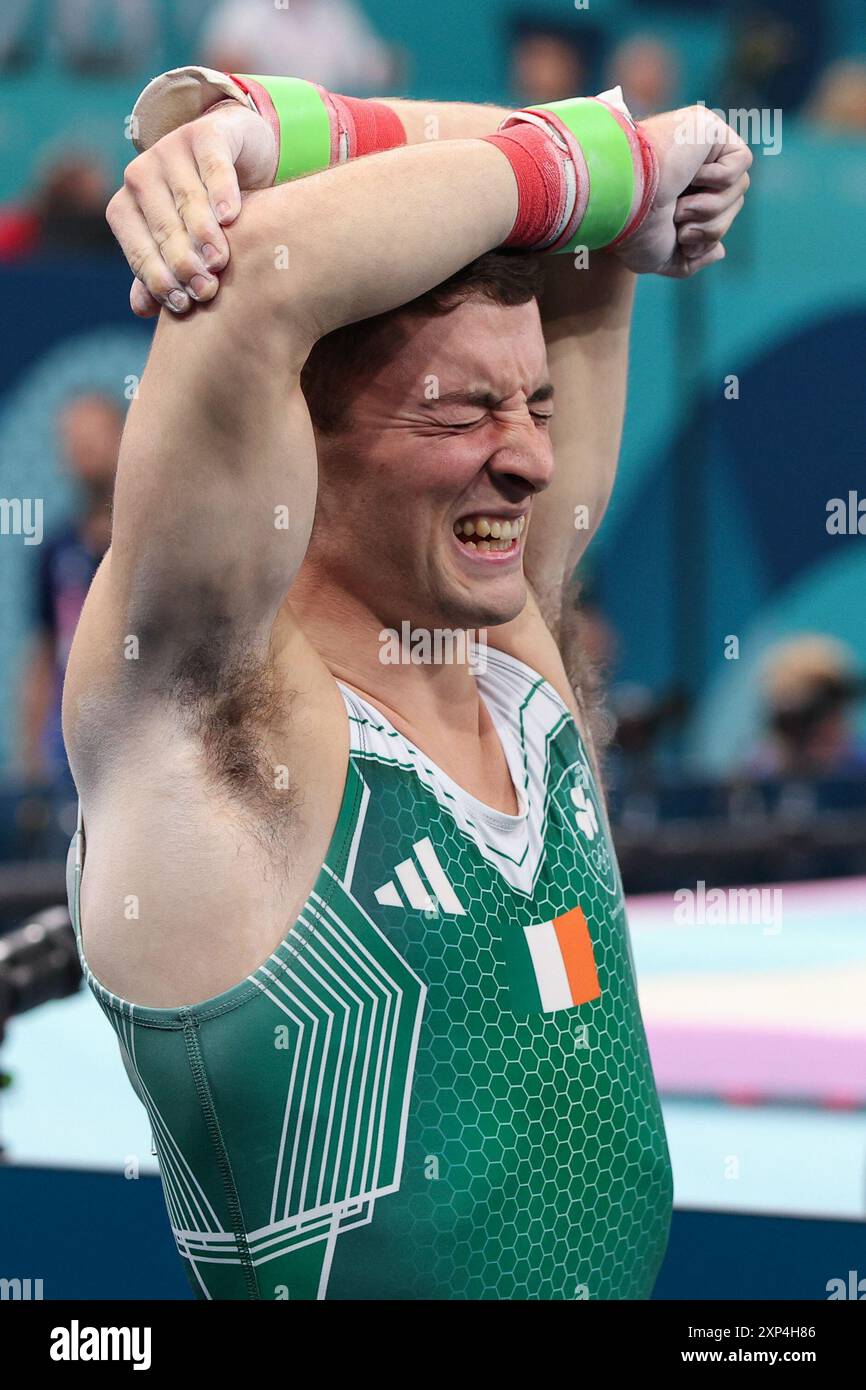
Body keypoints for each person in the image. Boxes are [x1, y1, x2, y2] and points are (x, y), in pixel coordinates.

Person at [64, 70, 750, 1299]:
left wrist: (280, 128)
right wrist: (608, 162)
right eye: (462, 414)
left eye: (534, 405)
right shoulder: (215, 722)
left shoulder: (512, 653)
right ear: (295, 441)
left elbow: (590, 174)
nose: (527, 460)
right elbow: (263, 278)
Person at [20, 393, 122, 784]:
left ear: (125, 437)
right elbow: (44, 654)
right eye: (74, 441)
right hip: (68, 755)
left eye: (94, 437)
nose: (84, 451)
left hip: (137, 745)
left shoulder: (158, 547)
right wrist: (32, 766)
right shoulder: (55, 552)